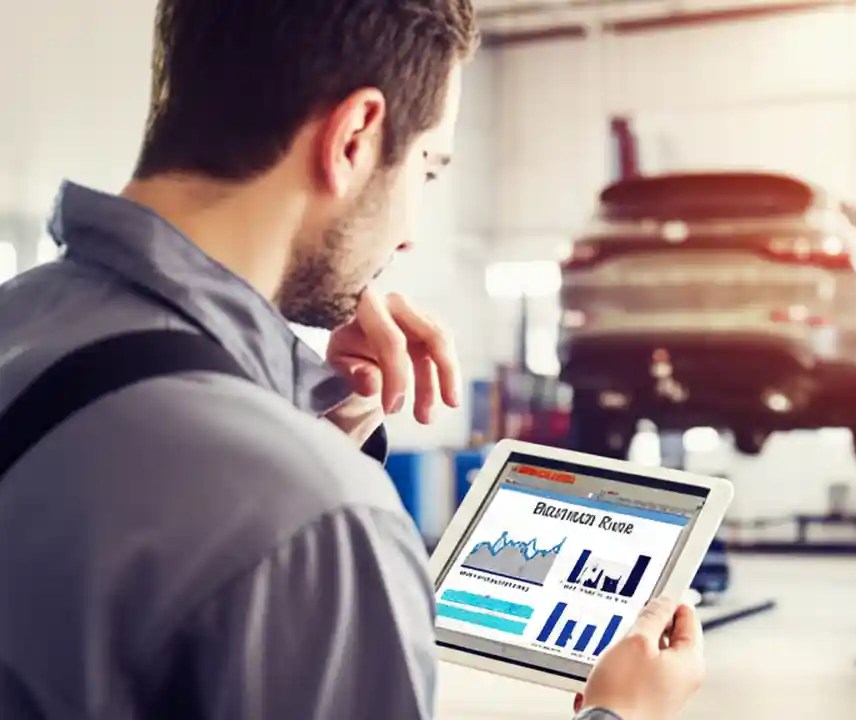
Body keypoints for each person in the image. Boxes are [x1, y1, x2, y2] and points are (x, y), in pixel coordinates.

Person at [0, 1, 705, 718]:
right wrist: (622, 714)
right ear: (355, 137)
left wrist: (307, 424)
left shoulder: (18, 322)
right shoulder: (315, 517)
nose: (408, 237)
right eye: (427, 169)